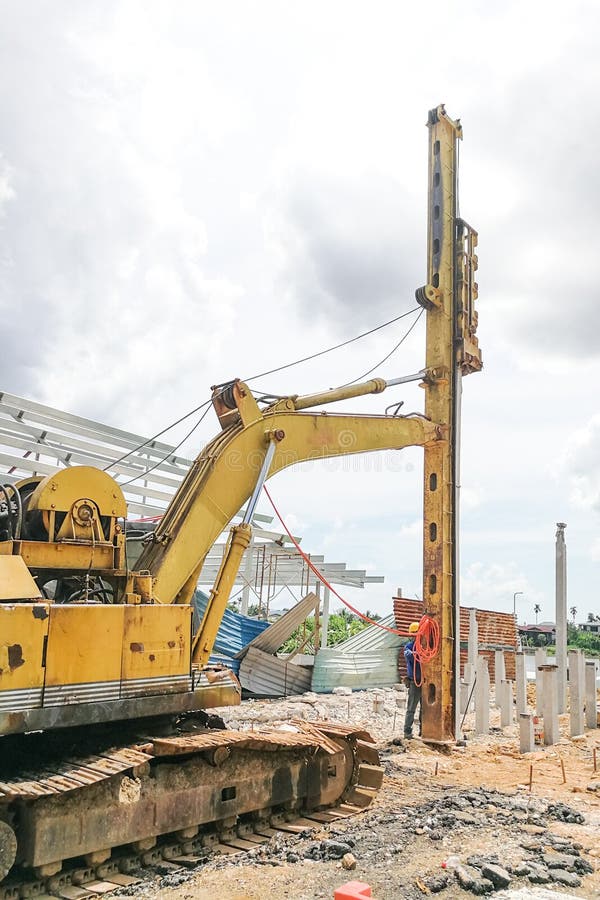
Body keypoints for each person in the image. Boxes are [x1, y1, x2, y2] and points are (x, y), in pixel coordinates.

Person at [403, 622, 422, 739]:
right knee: (411, 708)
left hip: (425, 681)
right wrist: (418, 653)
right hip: (414, 681)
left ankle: (423, 730)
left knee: (425, 709)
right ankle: (407, 732)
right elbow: (408, 655)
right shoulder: (409, 647)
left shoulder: (425, 646)